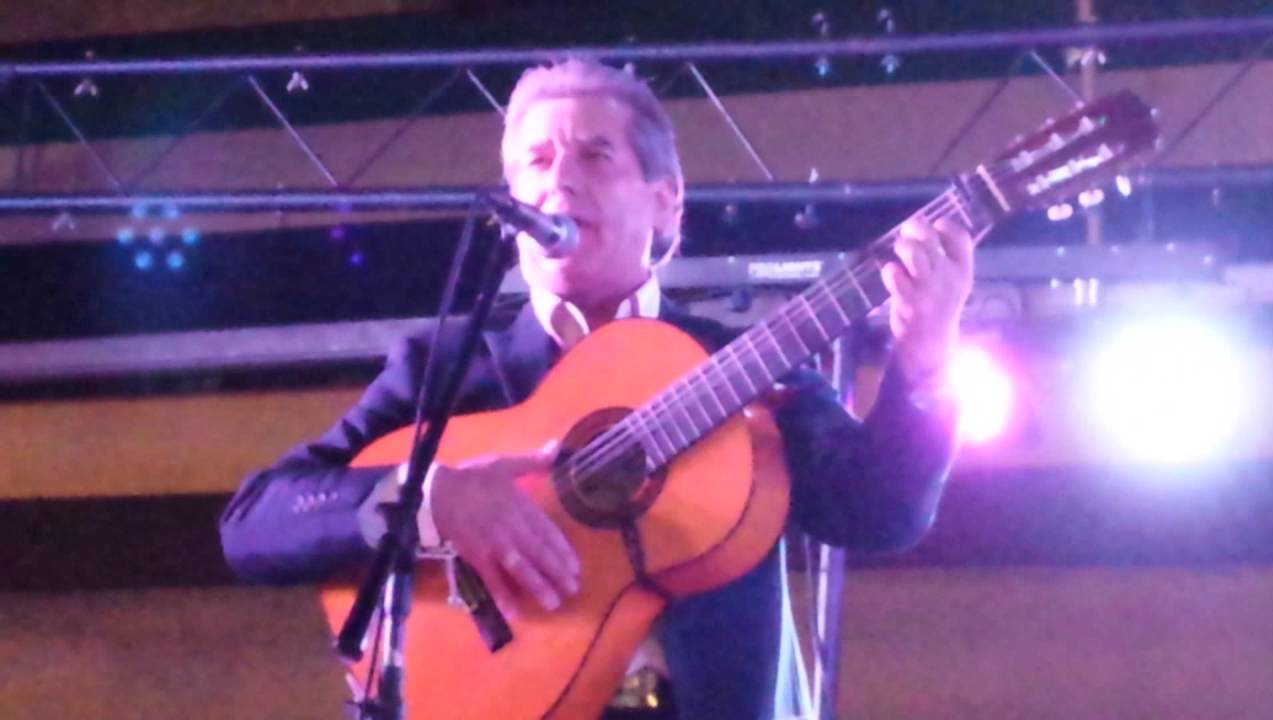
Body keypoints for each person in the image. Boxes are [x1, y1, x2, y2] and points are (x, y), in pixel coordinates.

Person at [220, 57, 974, 719]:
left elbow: (882, 512)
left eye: (595, 155)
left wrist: (926, 360)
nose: (559, 181)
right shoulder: (445, 367)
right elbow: (255, 521)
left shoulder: (743, 363)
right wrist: (430, 500)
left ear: (665, 201)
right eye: (537, 162)